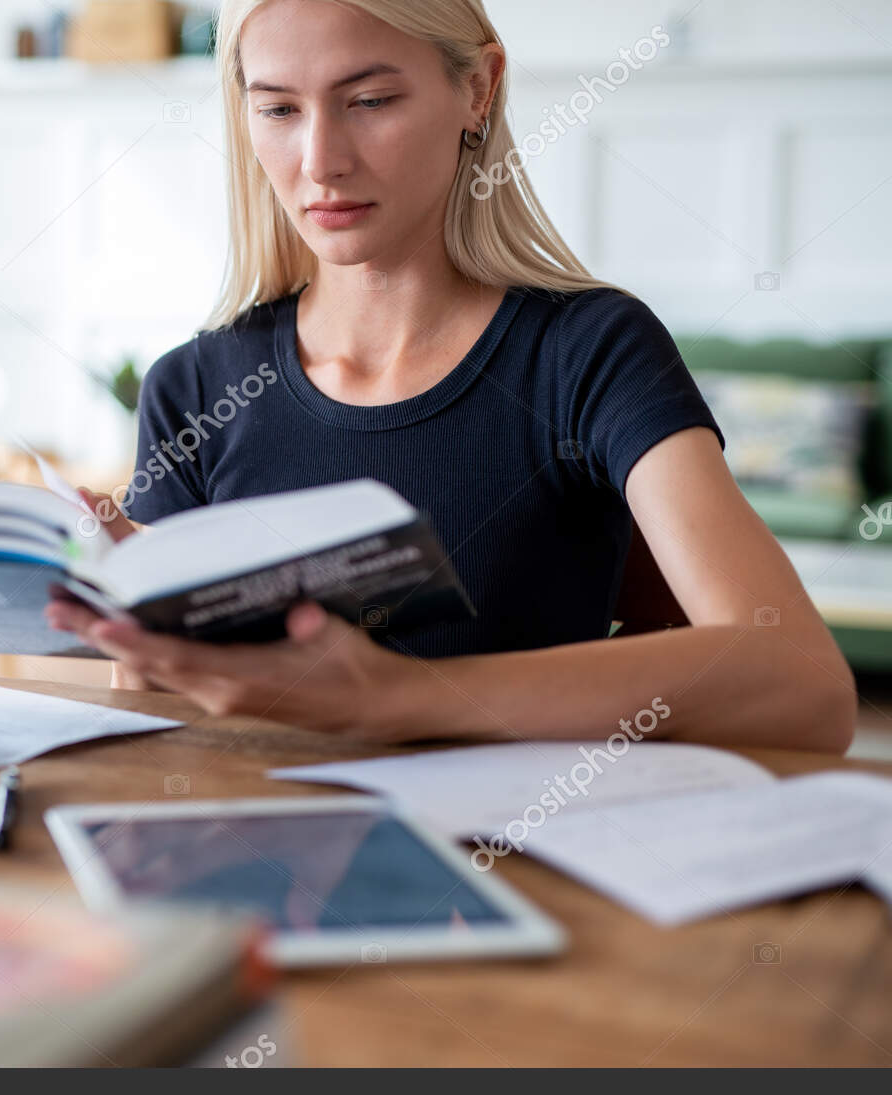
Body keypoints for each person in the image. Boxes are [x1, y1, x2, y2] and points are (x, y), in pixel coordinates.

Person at [45, 0, 855, 751]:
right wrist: (136, 626)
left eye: (369, 100)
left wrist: (396, 696)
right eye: (279, 108)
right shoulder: (194, 385)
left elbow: (806, 687)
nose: (320, 161)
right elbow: (162, 735)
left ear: (478, 88)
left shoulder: (590, 351)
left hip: (521, 876)